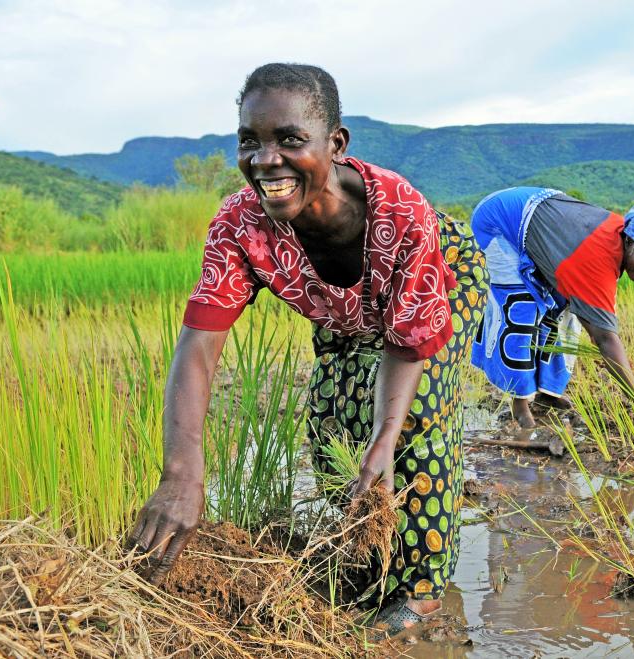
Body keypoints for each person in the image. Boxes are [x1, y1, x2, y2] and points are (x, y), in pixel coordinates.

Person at [126, 63, 487, 634]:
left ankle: (421, 588)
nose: (266, 160)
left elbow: (407, 344)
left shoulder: (399, 210)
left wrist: (384, 440)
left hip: (436, 278)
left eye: (290, 140)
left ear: (335, 144)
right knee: (331, 423)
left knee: (412, 417)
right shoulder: (240, 225)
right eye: (250, 141)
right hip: (345, 309)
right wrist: (182, 474)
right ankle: (368, 555)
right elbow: (198, 347)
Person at [469, 187, 634, 428]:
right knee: (521, 309)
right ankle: (520, 404)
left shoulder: (620, 239)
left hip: (541, 215)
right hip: (499, 220)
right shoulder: (594, 261)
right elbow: (605, 340)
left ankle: (547, 394)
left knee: (567, 309)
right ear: (631, 241)